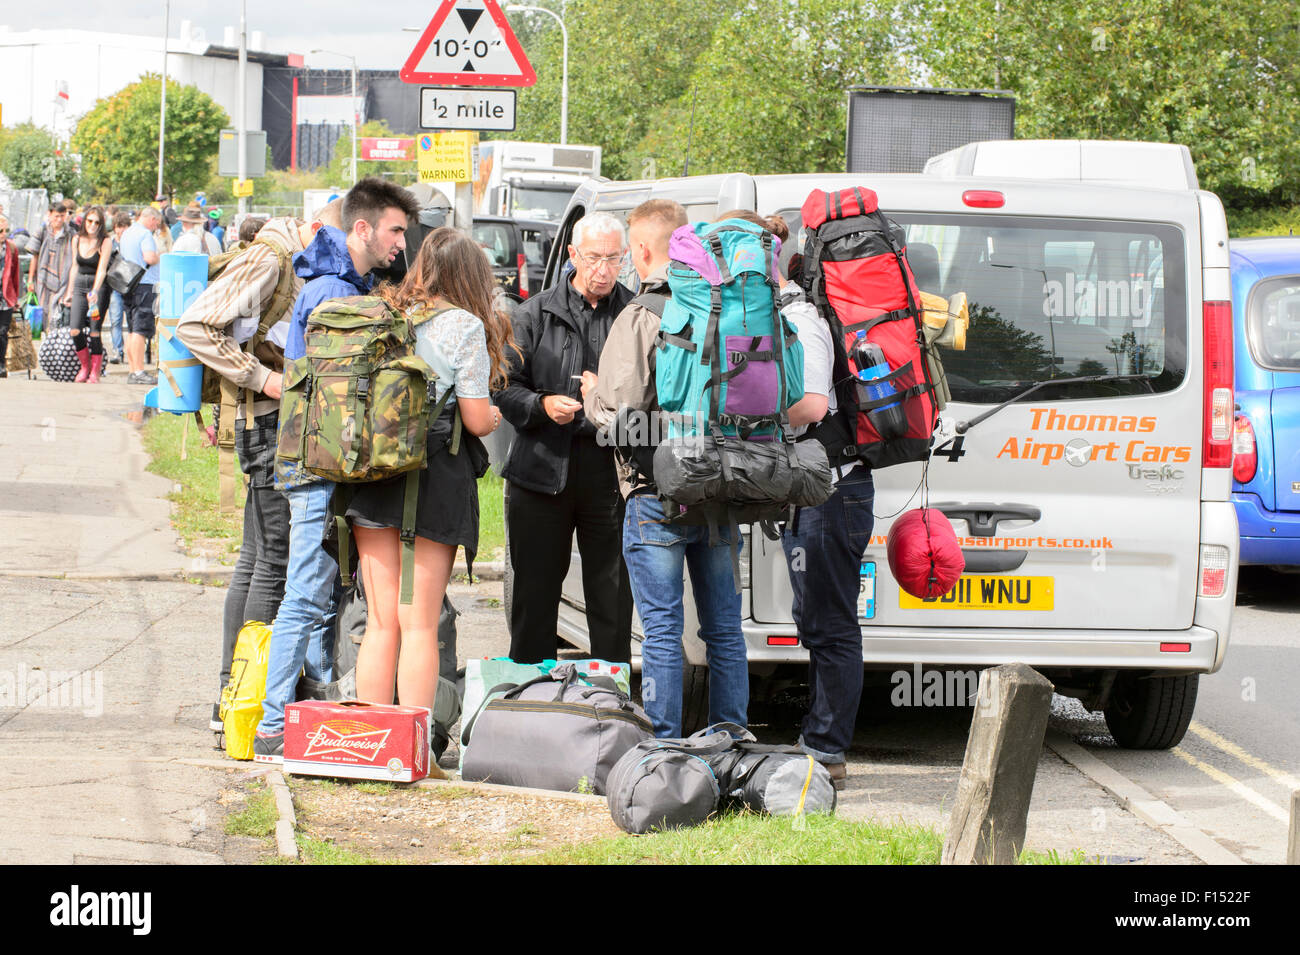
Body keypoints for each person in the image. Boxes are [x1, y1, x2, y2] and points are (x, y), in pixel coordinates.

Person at [253, 176, 419, 764]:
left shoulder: (348, 284)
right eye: (396, 230)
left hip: (326, 463)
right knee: (303, 592)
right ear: (363, 228)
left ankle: (312, 711)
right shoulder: (331, 290)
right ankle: (273, 726)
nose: (403, 242)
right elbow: (343, 393)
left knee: (321, 594)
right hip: (316, 466)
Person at [580, 199, 750, 739]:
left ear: (642, 250)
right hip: (722, 488)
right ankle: (733, 741)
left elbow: (621, 420)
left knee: (661, 630)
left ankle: (665, 748)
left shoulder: (642, 314)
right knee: (725, 629)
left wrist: (589, 398)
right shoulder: (728, 308)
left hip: (658, 493)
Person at [176, 201, 343, 733]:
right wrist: (262, 378)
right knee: (272, 561)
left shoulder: (277, 257)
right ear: (318, 228)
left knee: (255, 559)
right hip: (268, 422)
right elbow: (195, 326)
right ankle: (245, 697)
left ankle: (232, 696)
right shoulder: (271, 258)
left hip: (261, 422)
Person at [348, 228, 513, 717]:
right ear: (471, 277)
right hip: (434, 477)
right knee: (418, 622)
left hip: (373, 474)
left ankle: (371, 741)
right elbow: (477, 419)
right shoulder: (463, 325)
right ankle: (413, 745)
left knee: (380, 622)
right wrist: (496, 417)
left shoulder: (386, 310)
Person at [494, 211, 635, 666]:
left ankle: (611, 703)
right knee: (535, 594)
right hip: (540, 469)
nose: (603, 270)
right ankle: (529, 693)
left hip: (609, 472)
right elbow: (503, 386)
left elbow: (652, 395)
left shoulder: (633, 314)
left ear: (626, 258)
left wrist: (607, 402)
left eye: (613, 259)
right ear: (572, 255)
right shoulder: (534, 312)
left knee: (611, 597)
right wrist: (542, 406)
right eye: (594, 258)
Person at [62, 205, 114, 384]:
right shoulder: (77, 239)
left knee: (94, 332)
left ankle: (95, 371)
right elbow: (74, 267)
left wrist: (95, 290)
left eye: (97, 222)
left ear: (101, 224)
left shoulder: (105, 241)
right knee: (75, 329)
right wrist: (69, 292)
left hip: (98, 288)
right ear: (85, 221)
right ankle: (84, 366)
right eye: (90, 221)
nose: (92, 225)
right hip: (79, 285)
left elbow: (102, 269)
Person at [118, 206, 162, 384]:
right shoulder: (145, 235)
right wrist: (159, 257)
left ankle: (132, 369)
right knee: (140, 330)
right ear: (152, 219)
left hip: (127, 283)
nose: (156, 227)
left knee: (131, 329)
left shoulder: (127, 233)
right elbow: (150, 258)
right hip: (144, 285)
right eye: (156, 223)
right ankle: (138, 371)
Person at [27, 202, 74, 323]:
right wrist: (30, 280)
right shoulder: (42, 231)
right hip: (43, 280)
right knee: (44, 314)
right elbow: (34, 256)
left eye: (62, 216)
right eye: (56, 216)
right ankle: (47, 339)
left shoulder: (71, 233)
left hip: (64, 281)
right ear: (49, 214)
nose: (59, 219)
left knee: (58, 316)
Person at [106, 211, 132, 363]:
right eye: (118, 227)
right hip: (115, 285)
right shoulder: (110, 242)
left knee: (129, 322)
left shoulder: (131, 242)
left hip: (129, 285)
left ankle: (129, 351)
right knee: (115, 320)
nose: (121, 230)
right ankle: (118, 350)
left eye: (124, 227)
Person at [0, 215, 20, 377]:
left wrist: (16, 298)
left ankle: (1, 364)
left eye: (6, 231)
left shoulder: (12, 249)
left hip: (6, 297)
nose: (3, 234)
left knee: (3, 331)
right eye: (0, 231)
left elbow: (15, 275)